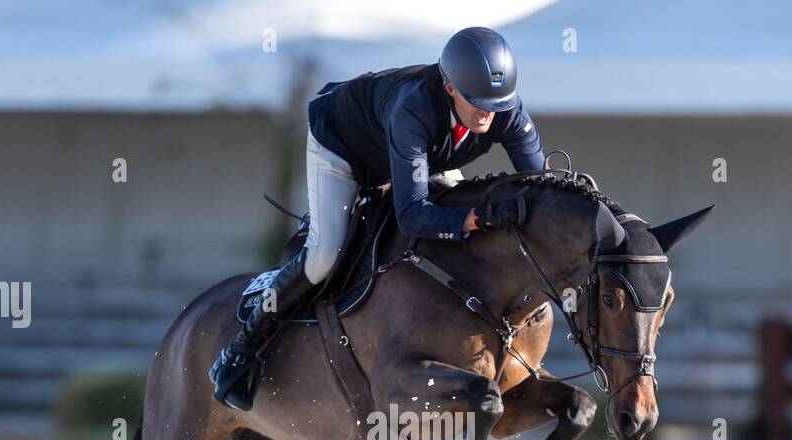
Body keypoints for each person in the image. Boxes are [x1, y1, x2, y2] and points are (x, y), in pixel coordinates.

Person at [210, 25, 546, 411]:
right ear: (451, 88)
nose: (489, 112)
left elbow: (540, 186)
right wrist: (477, 218)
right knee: (324, 256)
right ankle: (240, 351)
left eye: (498, 102)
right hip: (344, 148)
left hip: (420, 157)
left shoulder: (504, 109)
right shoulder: (414, 109)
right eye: (478, 101)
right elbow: (414, 216)